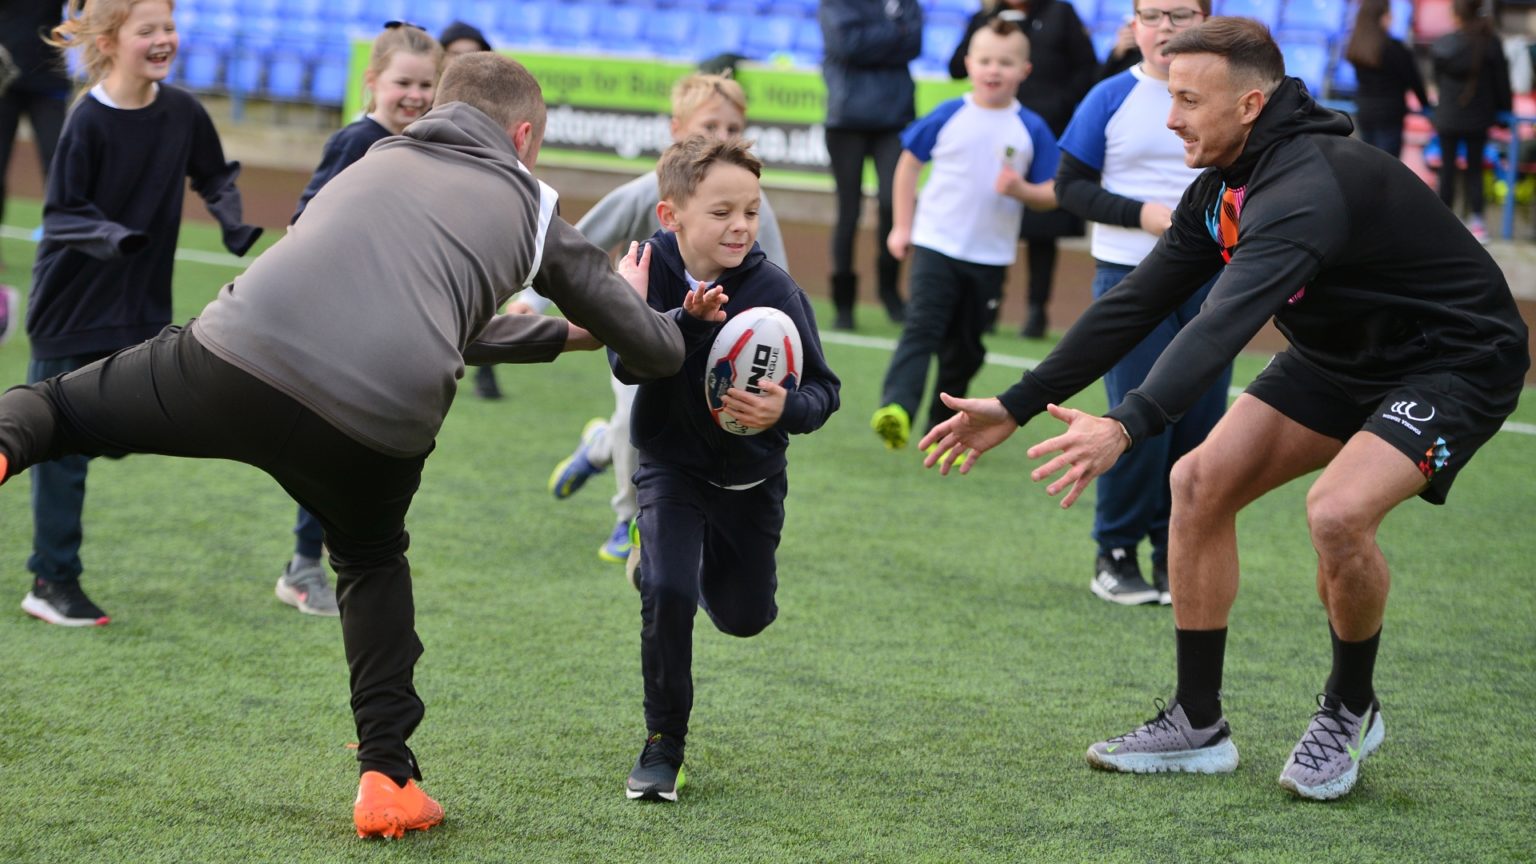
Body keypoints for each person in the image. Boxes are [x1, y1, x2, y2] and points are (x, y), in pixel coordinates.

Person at [0, 52, 687, 837]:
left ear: (438, 106)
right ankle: (388, 780)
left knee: (55, 408)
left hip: (236, 357)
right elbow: (657, 354)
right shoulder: (532, 204)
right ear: (524, 135)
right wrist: (629, 308)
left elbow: (441, 311)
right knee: (369, 565)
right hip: (377, 419)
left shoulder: (376, 155)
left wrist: (562, 334)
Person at [920, 18, 1527, 802]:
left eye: (1187, 100)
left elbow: (1220, 326)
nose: (1170, 117)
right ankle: (1197, 724)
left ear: (1248, 104)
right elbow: (1139, 300)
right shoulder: (1223, 187)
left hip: (1453, 363)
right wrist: (1018, 401)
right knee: (1198, 482)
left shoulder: (1307, 187)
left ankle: (1351, 706)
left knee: (1337, 515)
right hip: (1339, 358)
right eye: (1170, 97)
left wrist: (1128, 421)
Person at [19, 0, 263, 628]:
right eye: (147, 30)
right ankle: (52, 579)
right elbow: (62, 215)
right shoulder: (85, 122)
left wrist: (232, 220)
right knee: (60, 449)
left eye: (170, 27)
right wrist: (111, 237)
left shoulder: (182, 112)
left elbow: (215, 175)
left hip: (138, 311)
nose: (164, 40)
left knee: (126, 430)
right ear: (108, 40)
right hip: (70, 308)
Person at [615, 136, 840, 802]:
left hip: (750, 482)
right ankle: (663, 746)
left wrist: (784, 410)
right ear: (671, 215)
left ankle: (669, 567)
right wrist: (677, 320)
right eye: (721, 212)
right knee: (670, 593)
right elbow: (627, 364)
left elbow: (824, 392)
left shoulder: (774, 291)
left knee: (745, 618)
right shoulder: (648, 270)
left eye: (750, 209)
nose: (741, 225)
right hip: (669, 467)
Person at [538, 72, 792, 564]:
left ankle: (598, 447)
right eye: (709, 126)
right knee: (636, 415)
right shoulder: (645, 192)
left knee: (684, 426)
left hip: (715, 347)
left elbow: (779, 280)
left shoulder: (750, 204)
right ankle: (627, 517)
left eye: (733, 128)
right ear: (677, 129)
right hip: (641, 337)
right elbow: (579, 244)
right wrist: (536, 303)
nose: (722, 138)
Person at [1052, 0, 1229, 606]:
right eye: (1152, 15)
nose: (1166, 29)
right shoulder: (1109, 96)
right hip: (1129, 278)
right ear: (1135, 24)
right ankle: (1116, 552)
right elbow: (1068, 186)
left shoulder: (1227, 95)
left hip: (1214, 282)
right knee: (1134, 420)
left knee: (1200, 425)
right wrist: (1143, 215)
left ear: (1206, 20)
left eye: (1181, 15)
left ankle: (1172, 554)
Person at [273, 22, 443, 618]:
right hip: (341, 319)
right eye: (403, 82)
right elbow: (305, 219)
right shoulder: (359, 141)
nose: (416, 94)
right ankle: (303, 565)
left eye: (427, 83)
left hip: (390, 321)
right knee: (332, 444)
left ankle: (347, 559)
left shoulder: (423, 145)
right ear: (373, 82)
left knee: (366, 446)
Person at [871, 19, 1057, 451]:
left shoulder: (1031, 127)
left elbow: (1052, 191)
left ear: (1024, 70)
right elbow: (908, 165)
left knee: (966, 348)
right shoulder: (949, 113)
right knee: (921, 328)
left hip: (990, 257)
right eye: (986, 60)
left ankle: (943, 425)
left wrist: (1023, 191)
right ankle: (896, 408)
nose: (995, 70)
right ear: (969, 63)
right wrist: (902, 226)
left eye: (1006, 62)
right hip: (936, 244)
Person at [949, 0, 1097, 339]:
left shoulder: (1061, 13)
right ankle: (987, 305)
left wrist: (1059, 103)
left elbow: (1087, 69)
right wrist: (987, 23)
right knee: (990, 216)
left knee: (1043, 229)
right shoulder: (986, 18)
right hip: (992, 137)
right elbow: (956, 66)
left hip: (1046, 130)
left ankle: (1036, 311)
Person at [819, 0, 923, 331]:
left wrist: (872, 38)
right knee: (848, 211)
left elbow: (916, 43)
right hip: (846, 117)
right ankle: (844, 302)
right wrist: (895, 32)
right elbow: (846, 45)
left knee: (893, 205)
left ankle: (890, 292)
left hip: (894, 118)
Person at [437, 19, 504, 401]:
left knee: (481, 290)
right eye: (456, 55)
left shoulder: (497, 111)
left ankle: (485, 369)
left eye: (472, 55)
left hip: (475, 213)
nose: (463, 62)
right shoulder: (424, 102)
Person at [1430, 0, 1512, 244]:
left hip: (1447, 117)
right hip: (1478, 118)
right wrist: (1505, 115)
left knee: (1447, 171)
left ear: (1457, 16)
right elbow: (1502, 85)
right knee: (1475, 170)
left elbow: (1437, 81)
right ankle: (1478, 223)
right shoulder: (1490, 42)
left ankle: (1441, 223)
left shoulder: (1443, 44)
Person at [1, 0, 70, 280]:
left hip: (48, 80)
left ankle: (63, 254)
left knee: (60, 168)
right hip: (3, 82)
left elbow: (89, 10)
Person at [1345, 0, 1431, 159]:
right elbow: (1414, 81)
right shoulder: (1395, 49)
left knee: (1369, 162)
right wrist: (1426, 105)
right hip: (1390, 115)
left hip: (1365, 111)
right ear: (1381, 17)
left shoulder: (1356, 46)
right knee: (1388, 167)